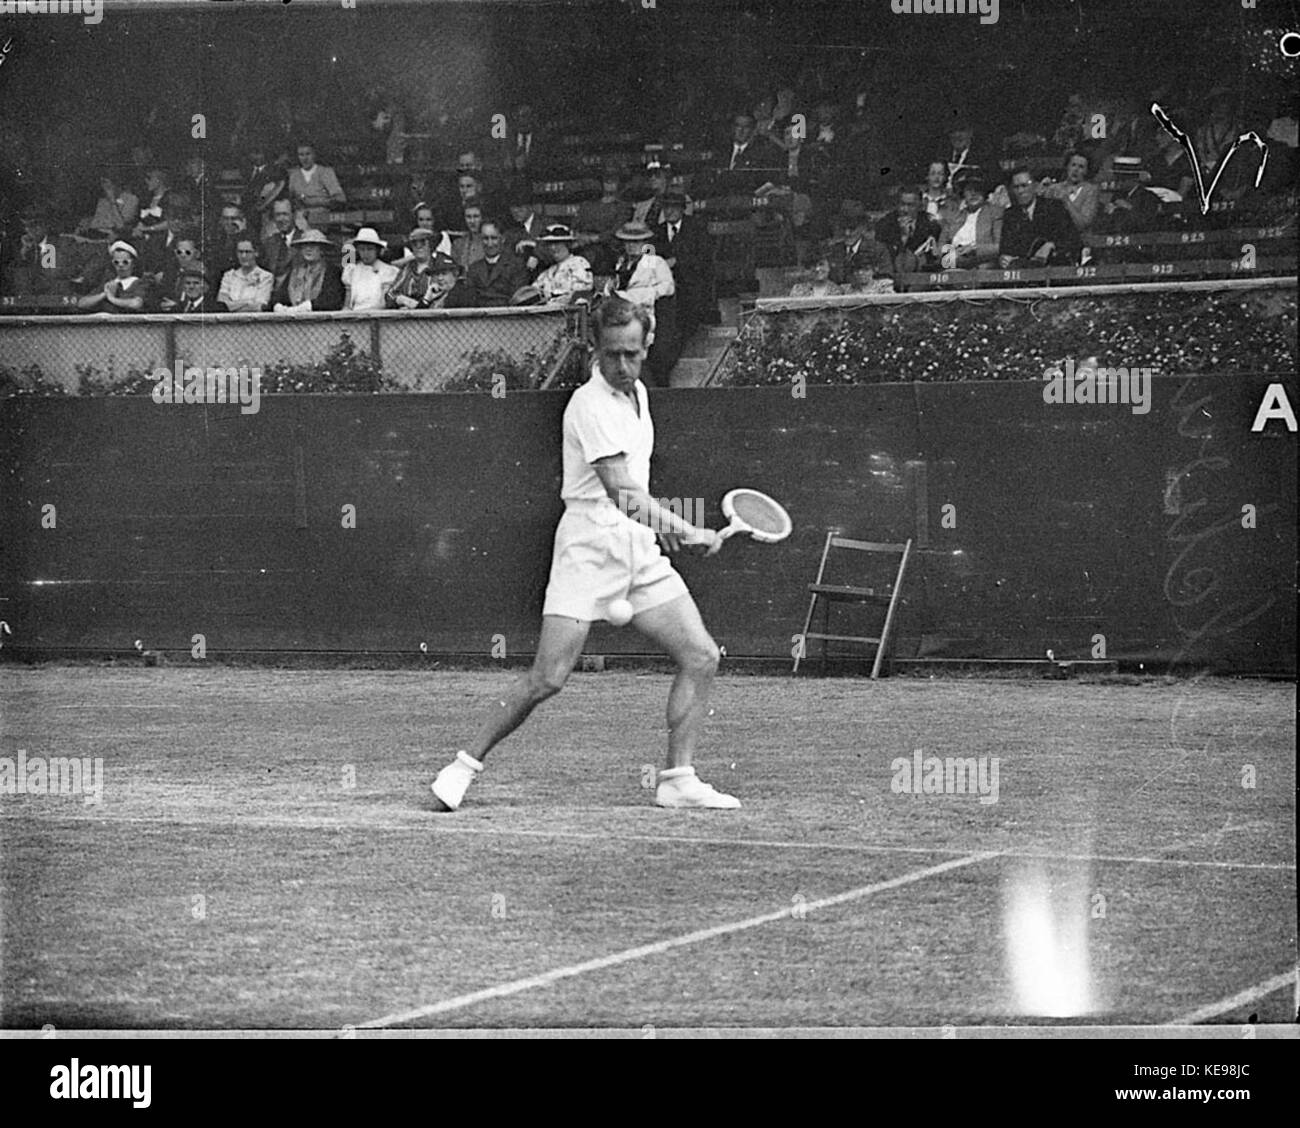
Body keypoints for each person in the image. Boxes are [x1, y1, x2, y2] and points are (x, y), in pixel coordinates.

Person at [427, 297, 738, 813]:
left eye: (632, 354)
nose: (622, 366)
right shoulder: (588, 405)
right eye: (612, 355)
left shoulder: (638, 393)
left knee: (701, 655)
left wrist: (666, 534)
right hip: (588, 547)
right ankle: (461, 768)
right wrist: (688, 530)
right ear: (595, 349)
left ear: (648, 346)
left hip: (637, 548)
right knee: (548, 678)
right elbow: (623, 492)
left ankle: (677, 778)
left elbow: (634, 498)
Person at [611, 220, 677, 384]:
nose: (631, 246)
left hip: (649, 317)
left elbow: (667, 287)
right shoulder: (622, 263)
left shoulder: (653, 261)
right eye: (627, 242)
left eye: (636, 242)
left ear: (644, 242)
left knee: (651, 364)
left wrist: (638, 296)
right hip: (625, 317)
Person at [999, 166, 1081, 268]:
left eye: (1024, 186)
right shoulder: (1010, 214)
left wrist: (1051, 245)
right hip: (1023, 270)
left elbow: (1074, 239)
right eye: (1016, 187)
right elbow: (1005, 249)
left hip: (1053, 268)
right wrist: (1004, 258)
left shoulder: (1054, 207)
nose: (1020, 191)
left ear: (1035, 186)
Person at [938, 175, 1002, 269]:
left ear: (984, 192)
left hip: (981, 265)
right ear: (963, 193)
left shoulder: (995, 214)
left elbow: (999, 247)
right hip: (953, 265)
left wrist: (973, 249)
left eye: (977, 189)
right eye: (969, 190)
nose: (973, 194)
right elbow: (941, 247)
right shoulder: (954, 217)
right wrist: (953, 254)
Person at [874, 187, 941, 275]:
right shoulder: (885, 224)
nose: (905, 210)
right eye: (902, 204)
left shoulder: (930, 224)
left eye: (911, 205)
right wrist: (903, 236)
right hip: (893, 274)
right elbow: (885, 256)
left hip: (922, 274)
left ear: (920, 205)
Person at [272, 229, 343, 312]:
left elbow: (332, 300)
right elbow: (279, 296)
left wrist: (307, 307)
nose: (308, 249)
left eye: (313, 245)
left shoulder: (332, 272)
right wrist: (278, 306)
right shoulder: (295, 272)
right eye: (305, 245)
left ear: (322, 249)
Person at [462, 220, 529, 306]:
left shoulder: (516, 265)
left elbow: (517, 298)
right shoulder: (474, 268)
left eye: (494, 238)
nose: (489, 244)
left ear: (503, 239)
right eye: (485, 238)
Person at [522, 224, 593, 305]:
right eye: (550, 244)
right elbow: (532, 292)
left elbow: (581, 293)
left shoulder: (578, 263)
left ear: (567, 244)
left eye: (557, 243)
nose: (553, 247)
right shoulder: (549, 271)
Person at [76, 240, 150, 313]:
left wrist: (112, 299)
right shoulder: (109, 283)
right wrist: (104, 294)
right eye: (116, 262)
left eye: (125, 262)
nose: (120, 265)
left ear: (133, 264)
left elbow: (136, 304)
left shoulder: (141, 282)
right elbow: (81, 303)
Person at [1042, 151, 1100, 234]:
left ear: (1086, 171)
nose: (1075, 170)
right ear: (1067, 167)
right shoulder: (1054, 188)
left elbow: (1082, 224)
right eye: (1073, 165)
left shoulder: (1090, 190)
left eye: (1081, 167)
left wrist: (1066, 201)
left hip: (1080, 240)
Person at [342, 227, 399, 311]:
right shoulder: (352, 271)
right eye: (362, 249)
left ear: (377, 250)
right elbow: (348, 303)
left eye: (370, 249)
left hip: (380, 317)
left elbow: (386, 303)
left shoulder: (388, 271)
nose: (366, 253)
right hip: (355, 318)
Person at [384, 227, 440, 309]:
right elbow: (389, 294)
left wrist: (415, 305)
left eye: (423, 243)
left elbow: (440, 298)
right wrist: (402, 300)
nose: (418, 247)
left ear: (431, 245)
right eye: (414, 244)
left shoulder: (439, 267)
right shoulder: (407, 268)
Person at [287, 142, 347, 213]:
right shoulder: (294, 175)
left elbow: (340, 198)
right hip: (300, 218)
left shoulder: (325, 172)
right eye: (301, 155)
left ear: (314, 155)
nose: (305, 158)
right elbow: (291, 200)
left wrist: (314, 201)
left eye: (308, 154)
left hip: (322, 217)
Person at [218, 238, 274, 311]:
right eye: (240, 252)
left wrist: (232, 305)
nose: (243, 256)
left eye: (248, 252)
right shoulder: (229, 276)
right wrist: (248, 302)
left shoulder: (265, 276)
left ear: (256, 253)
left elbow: (259, 306)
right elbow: (222, 304)